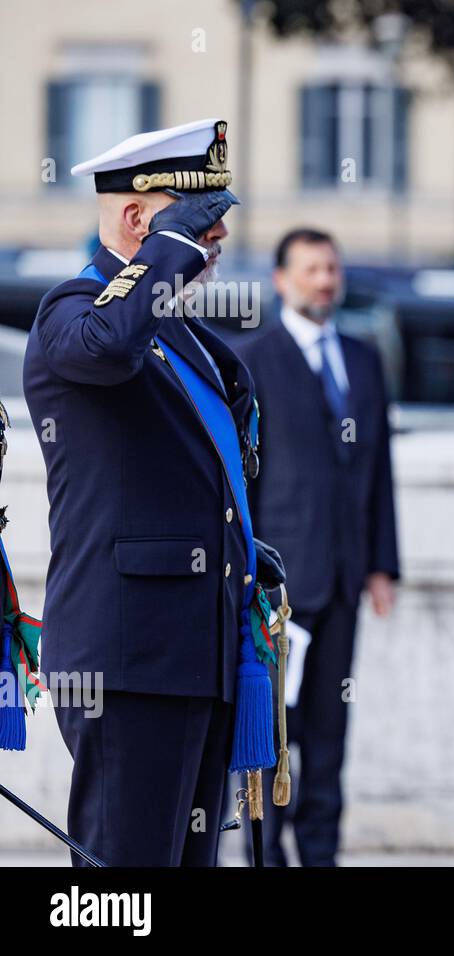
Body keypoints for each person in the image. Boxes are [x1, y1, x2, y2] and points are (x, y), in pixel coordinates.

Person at [24, 118, 263, 866]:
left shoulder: (178, 331)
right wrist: (172, 247)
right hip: (129, 660)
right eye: (198, 217)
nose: (217, 235)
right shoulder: (72, 311)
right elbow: (107, 346)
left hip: (197, 650)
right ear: (136, 218)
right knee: (124, 889)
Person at [232, 228, 400, 867]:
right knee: (272, 736)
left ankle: (321, 856)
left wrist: (381, 565)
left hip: (343, 582)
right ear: (281, 280)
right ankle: (266, 857)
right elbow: (242, 481)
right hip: (276, 592)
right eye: (311, 270)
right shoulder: (251, 360)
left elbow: (378, 471)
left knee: (329, 736)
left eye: (332, 269)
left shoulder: (364, 359)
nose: (325, 280)